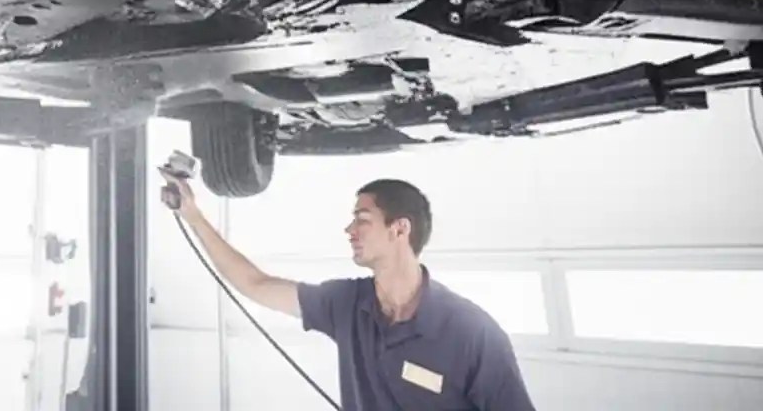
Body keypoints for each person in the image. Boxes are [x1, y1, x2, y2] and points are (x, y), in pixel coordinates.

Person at [161, 159, 536, 411]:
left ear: (399, 228)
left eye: (362, 219)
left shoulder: (472, 333)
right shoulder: (346, 303)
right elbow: (255, 283)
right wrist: (193, 216)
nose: (349, 230)